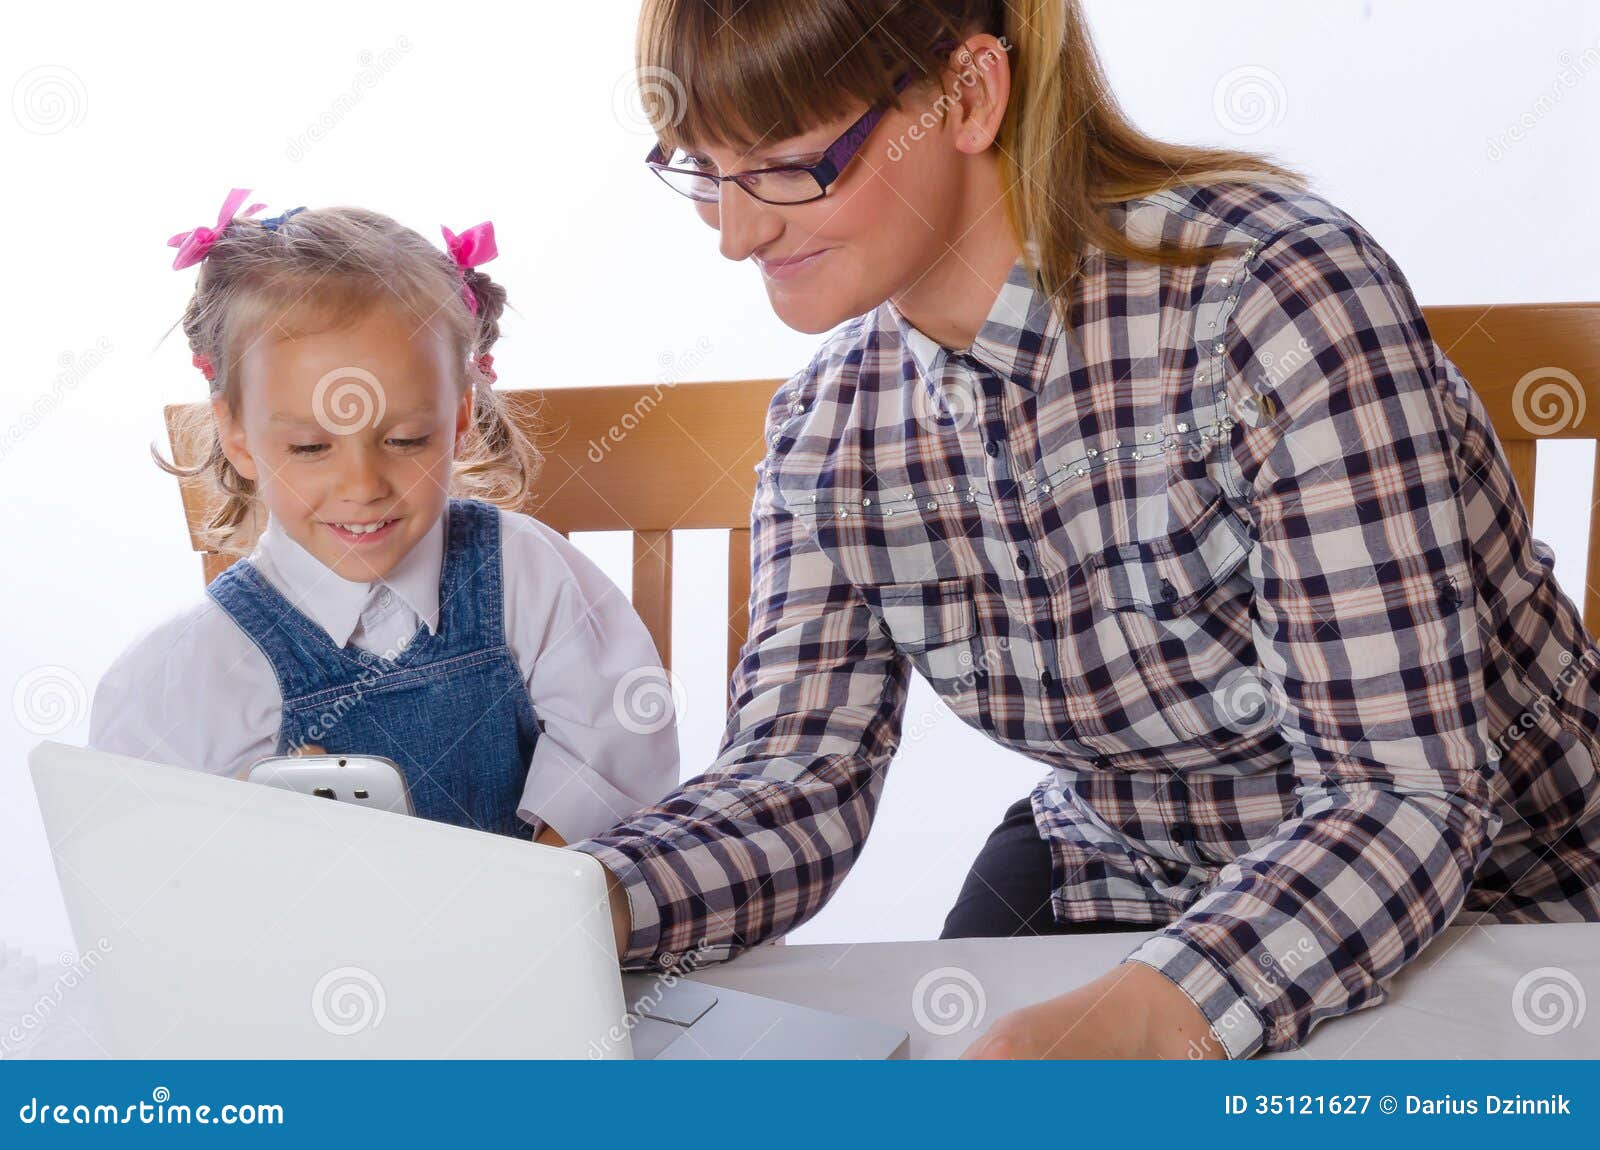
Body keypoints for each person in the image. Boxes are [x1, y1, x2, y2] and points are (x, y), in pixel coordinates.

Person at [566, 0, 1600, 1059]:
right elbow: (793, 783)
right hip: (1126, 860)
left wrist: (1156, 1011)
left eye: (786, 164)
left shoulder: (1269, 297)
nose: (738, 234)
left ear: (966, 97)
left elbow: (1400, 792)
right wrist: (573, 904)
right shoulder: (826, 431)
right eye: (700, 167)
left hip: (1492, 888)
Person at [90, 191, 679, 846]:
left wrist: (534, 900)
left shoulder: (525, 575)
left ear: (458, 418)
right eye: (311, 448)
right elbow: (147, 869)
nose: (364, 486)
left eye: (405, 440)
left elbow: (617, 758)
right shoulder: (190, 673)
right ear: (236, 434)